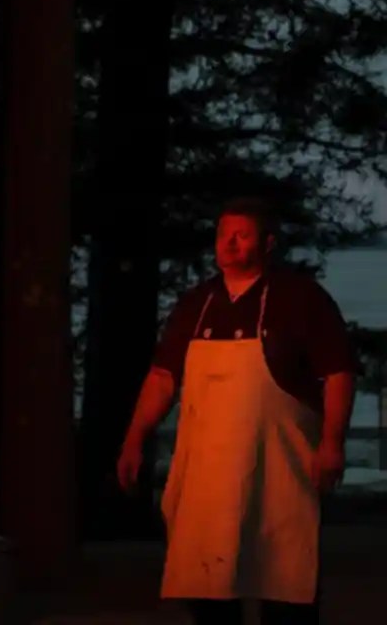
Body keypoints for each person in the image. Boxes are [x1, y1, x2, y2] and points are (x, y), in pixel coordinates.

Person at [116, 197, 357, 625]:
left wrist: (332, 443)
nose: (229, 243)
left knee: (283, 585)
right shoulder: (197, 304)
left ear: (267, 243)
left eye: (241, 234)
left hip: (279, 471)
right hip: (206, 477)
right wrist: (135, 438)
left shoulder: (301, 299)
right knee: (208, 590)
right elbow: (161, 378)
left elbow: (338, 374)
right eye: (223, 234)